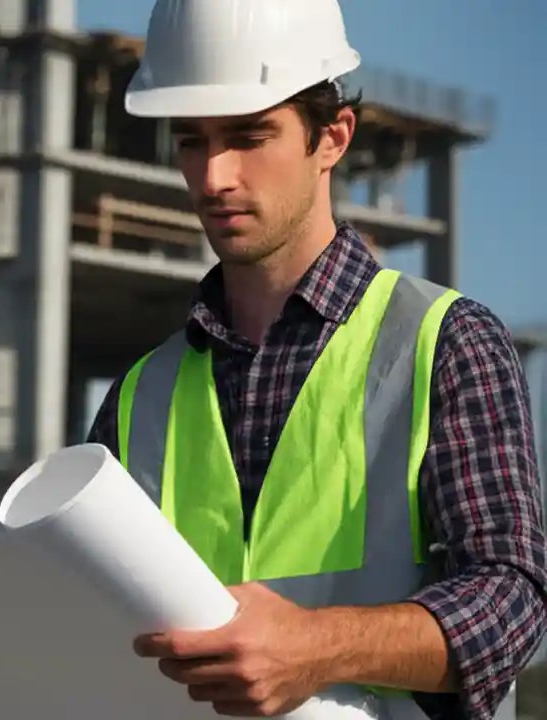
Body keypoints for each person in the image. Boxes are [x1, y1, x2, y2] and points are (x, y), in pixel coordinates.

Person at [85, 1, 547, 718]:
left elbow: (511, 602)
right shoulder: (139, 395)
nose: (214, 177)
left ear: (332, 138)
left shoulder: (447, 344)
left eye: (249, 136)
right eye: (191, 141)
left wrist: (317, 647)